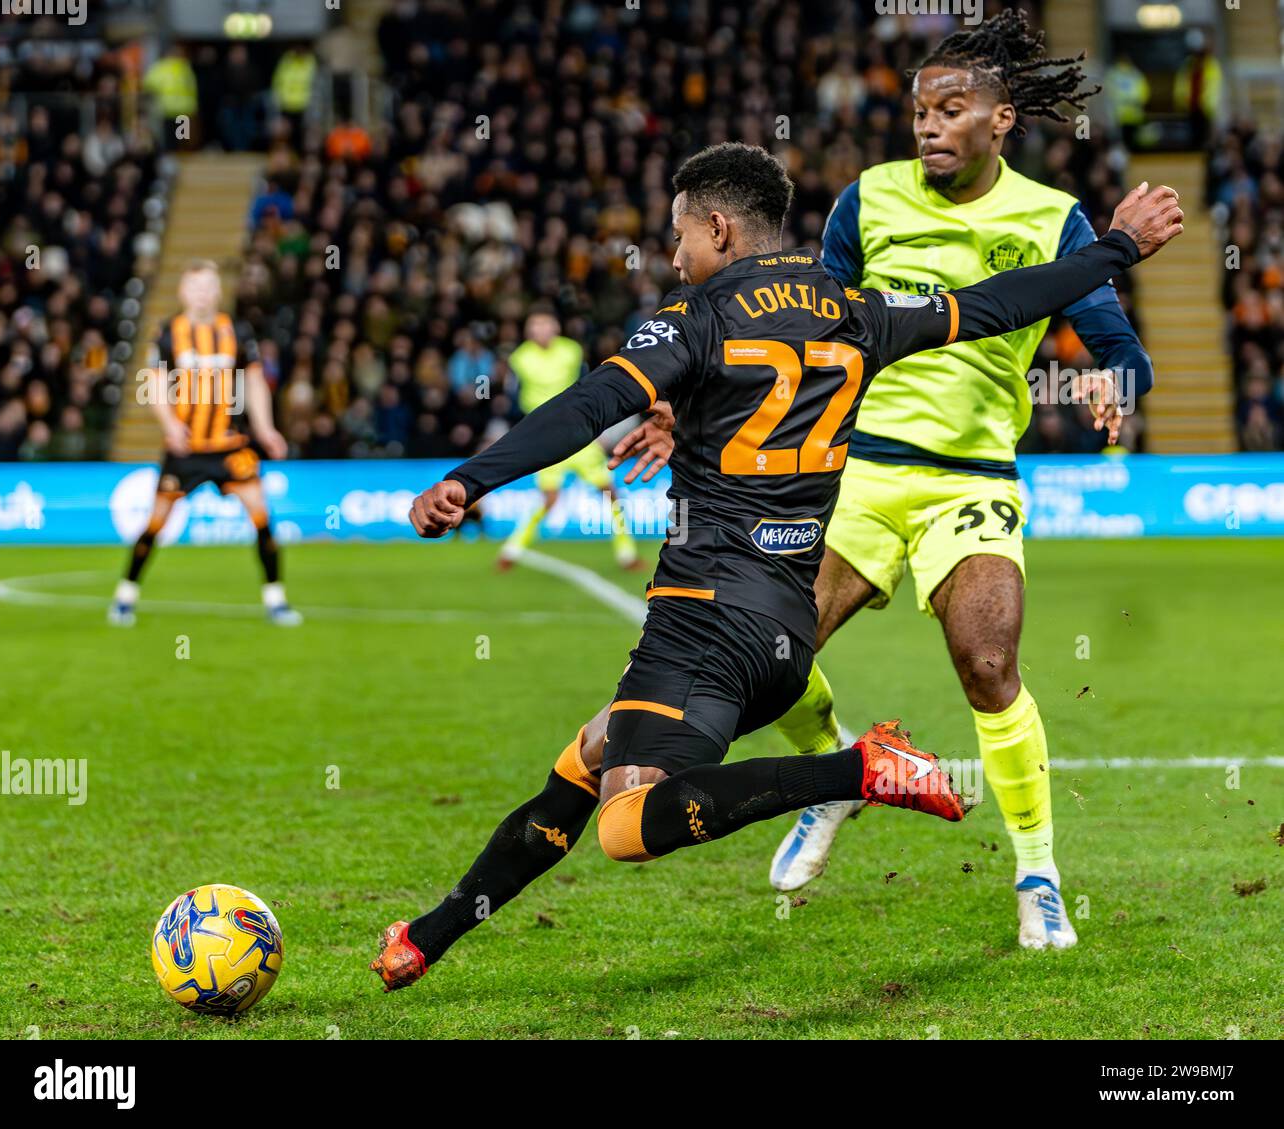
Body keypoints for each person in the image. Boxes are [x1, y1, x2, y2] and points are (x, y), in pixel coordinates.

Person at [369, 141, 1182, 990]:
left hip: (702, 621)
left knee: (623, 824)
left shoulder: (696, 319)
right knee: (587, 759)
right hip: (783, 639)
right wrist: (1115, 247)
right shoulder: (855, 309)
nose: (674, 253)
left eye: (679, 234)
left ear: (719, 228)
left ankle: (858, 768)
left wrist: (471, 477)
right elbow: (990, 305)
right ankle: (427, 936)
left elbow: (591, 402)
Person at [619, 10, 1155, 951]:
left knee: (988, 666)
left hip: (972, 476)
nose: (929, 128)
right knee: (773, 666)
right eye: (918, 114)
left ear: (1001, 121)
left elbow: (1115, 342)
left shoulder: (1051, 219)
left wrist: (1119, 383)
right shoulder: (868, 201)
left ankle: (1038, 872)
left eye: (951, 111)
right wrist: (693, 401)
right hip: (857, 472)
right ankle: (834, 779)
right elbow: (796, 326)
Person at [108, 261, 301, 628]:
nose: (202, 294)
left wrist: (266, 429)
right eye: (195, 287)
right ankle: (125, 596)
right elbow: (154, 384)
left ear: (218, 291)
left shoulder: (237, 331)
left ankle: (276, 600)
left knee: (262, 519)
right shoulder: (167, 333)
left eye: (208, 286)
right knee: (154, 525)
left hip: (232, 447)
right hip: (186, 450)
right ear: (183, 292)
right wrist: (169, 425)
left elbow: (255, 382)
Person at [496, 308, 640, 571]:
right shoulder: (520, 358)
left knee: (610, 493)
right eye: (535, 325)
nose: (540, 330)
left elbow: (589, 384)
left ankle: (627, 554)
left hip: (578, 432)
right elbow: (513, 397)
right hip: (544, 435)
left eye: (545, 324)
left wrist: (594, 426)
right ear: (528, 331)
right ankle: (512, 550)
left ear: (555, 328)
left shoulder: (571, 351)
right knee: (549, 498)